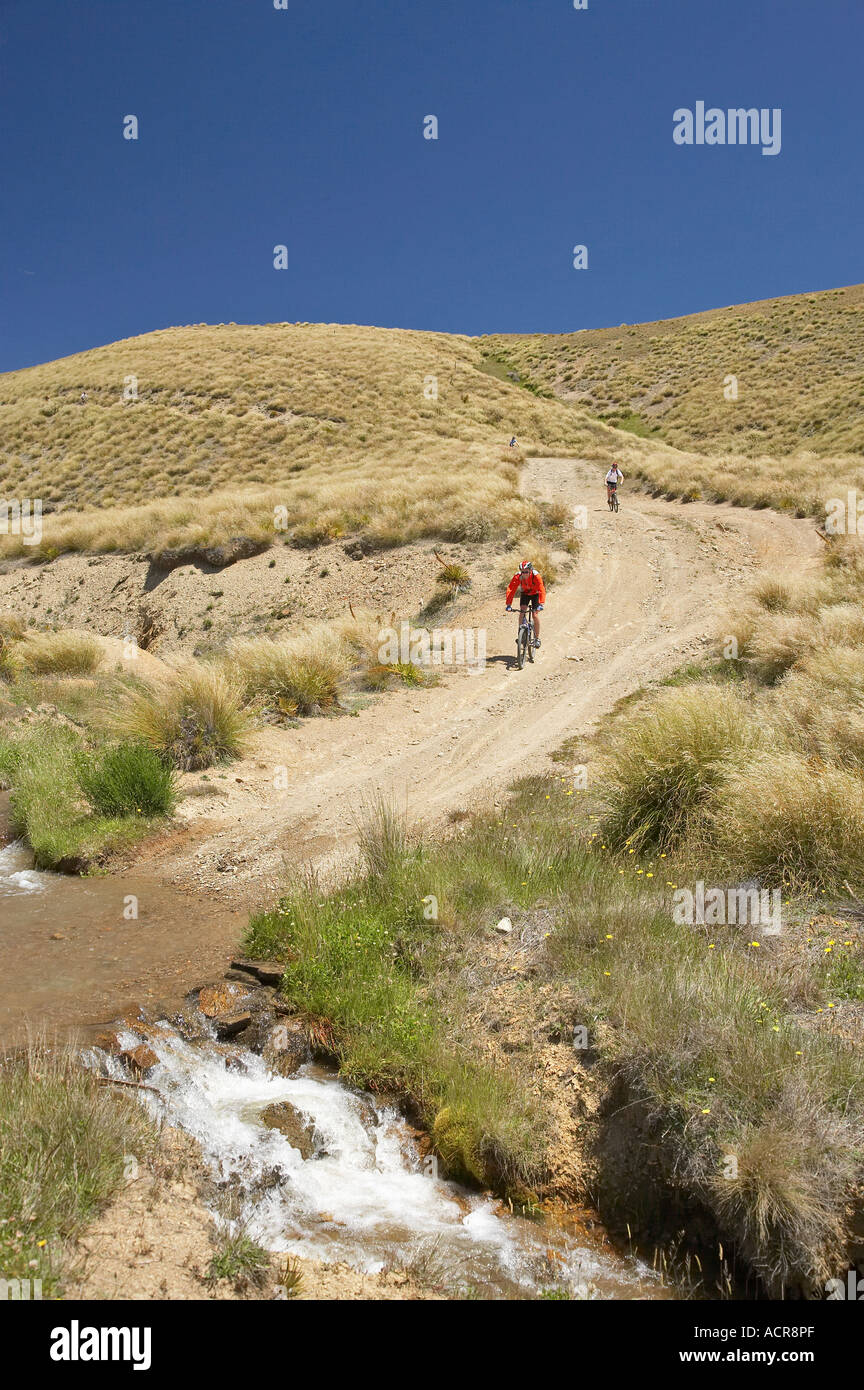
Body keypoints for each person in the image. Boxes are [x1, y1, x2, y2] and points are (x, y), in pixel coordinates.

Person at [505, 560, 545, 648]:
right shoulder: (518, 576)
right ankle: (521, 636)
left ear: (530, 570)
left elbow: (541, 588)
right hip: (525, 594)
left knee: (535, 615)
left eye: (526, 572)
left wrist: (541, 604)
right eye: (522, 572)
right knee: (522, 612)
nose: (524, 574)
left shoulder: (536, 576)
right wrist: (508, 604)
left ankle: (537, 639)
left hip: (535, 594)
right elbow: (511, 589)